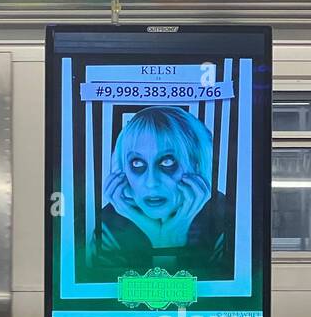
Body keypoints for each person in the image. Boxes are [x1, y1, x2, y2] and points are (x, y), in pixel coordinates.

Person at [91, 105, 233, 279]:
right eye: (137, 163)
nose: (151, 183)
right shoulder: (110, 223)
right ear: (122, 171)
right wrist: (161, 235)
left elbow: (214, 296)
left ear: (196, 164)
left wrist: (167, 239)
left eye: (167, 162)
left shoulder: (224, 216)